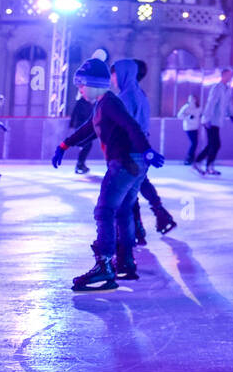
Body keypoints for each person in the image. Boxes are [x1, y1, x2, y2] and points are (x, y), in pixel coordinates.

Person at [54, 58, 163, 290]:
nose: (80, 90)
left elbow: (131, 125)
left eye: (82, 85)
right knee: (123, 211)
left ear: (92, 83)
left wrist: (147, 150)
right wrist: (64, 145)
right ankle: (125, 263)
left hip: (125, 162)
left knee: (104, 211)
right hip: (135, 162)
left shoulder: (110, 103)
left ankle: (104, 265)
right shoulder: (104, 104)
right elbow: (89, 127)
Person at [112, 59, 177, 239]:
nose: (112, 79)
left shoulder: (125, 97)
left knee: (128, 191)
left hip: (131, 148)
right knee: (137, 186)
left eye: (115, 74)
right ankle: (153, 218)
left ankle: (138, 229)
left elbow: (124, 125)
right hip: (141, 146)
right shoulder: (141, 94)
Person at [195, 68, 233, 176]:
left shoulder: (227, 89)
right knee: (215, 144)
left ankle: (207, 165)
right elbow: (211, 103)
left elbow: (228, 104)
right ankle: (200, 163)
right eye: (228, 75)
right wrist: (207, 118)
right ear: (223, 75)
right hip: (210, 120)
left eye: (231, 76)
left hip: (217, 121)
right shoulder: (217, 88)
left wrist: (231, 114)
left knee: (213, 144)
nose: (230, 78)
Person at [68, 93, 95, 174]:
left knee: (87, 145)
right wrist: (71, 125)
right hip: (81, 128)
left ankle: (80, 164)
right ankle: (80, 164)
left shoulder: (91, 104)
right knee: (87, 145)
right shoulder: (80, 102)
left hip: (87, 128)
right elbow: (74, 114)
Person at [177, 93, 201, 165]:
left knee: (195, 143)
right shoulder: (186, 107)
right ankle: (189, 158)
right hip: (188, 127)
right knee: (194, 143)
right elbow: (179, 115)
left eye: (193, 98)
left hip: (195, 127)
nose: (192, 100)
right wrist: (188, 117)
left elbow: (201, 114)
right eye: (190, 98)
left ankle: (192, 158)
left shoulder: (198, 107)